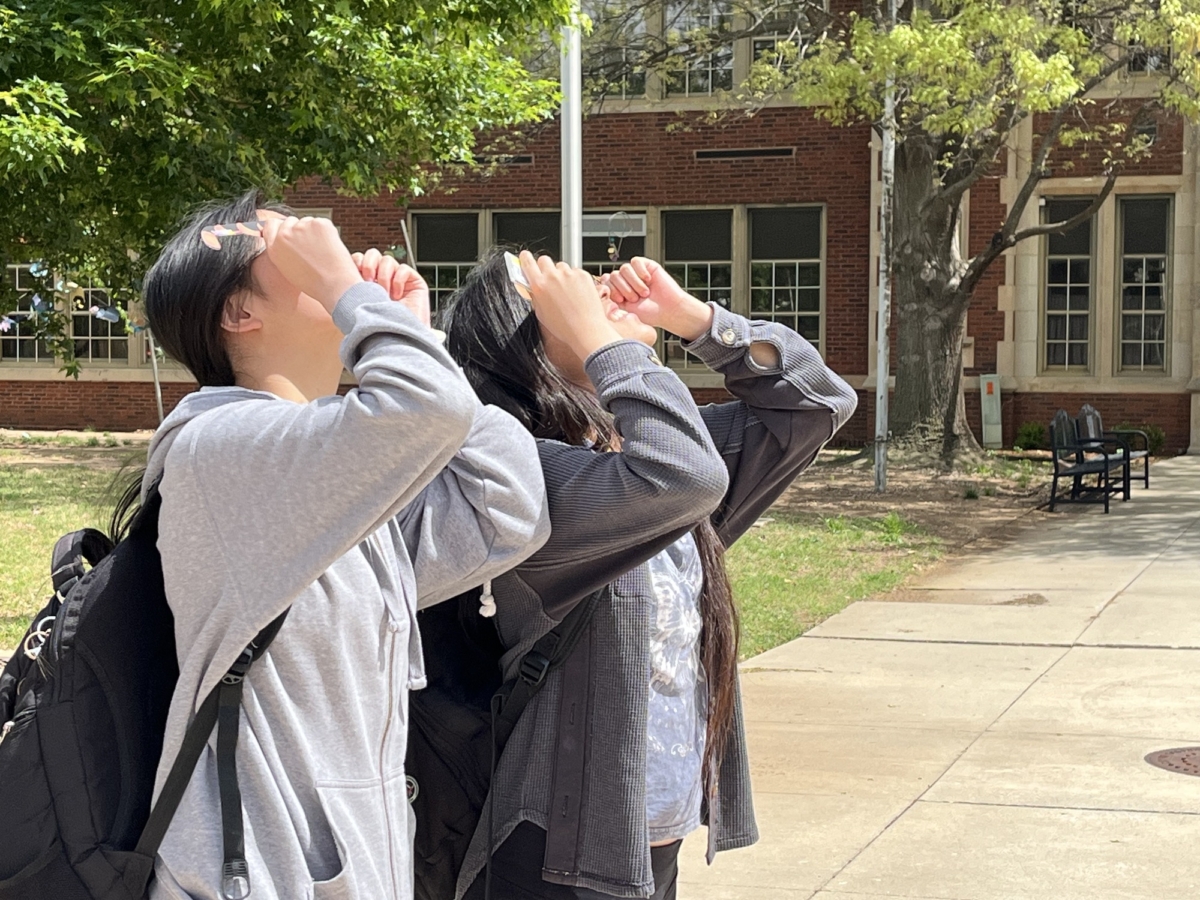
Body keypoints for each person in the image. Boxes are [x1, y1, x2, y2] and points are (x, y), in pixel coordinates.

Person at [138, 192, 550, 900]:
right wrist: (351, 294)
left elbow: (508, 508)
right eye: (293, 248)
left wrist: (412, 335)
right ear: (239, 313)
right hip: (260, 874)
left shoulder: (322, 471)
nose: (330, 249)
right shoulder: (219, 450)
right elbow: (424, 413)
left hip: (349, 864)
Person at [438, 250, 858, 900]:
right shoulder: (526, 478)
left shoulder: (639, 451)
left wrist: (696, 320)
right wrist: (608, 345)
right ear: (519, 341)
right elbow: (685, 476)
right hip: (552, 847)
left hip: (653, 833)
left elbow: (816, 403)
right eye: (556, 291)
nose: (590, 289)